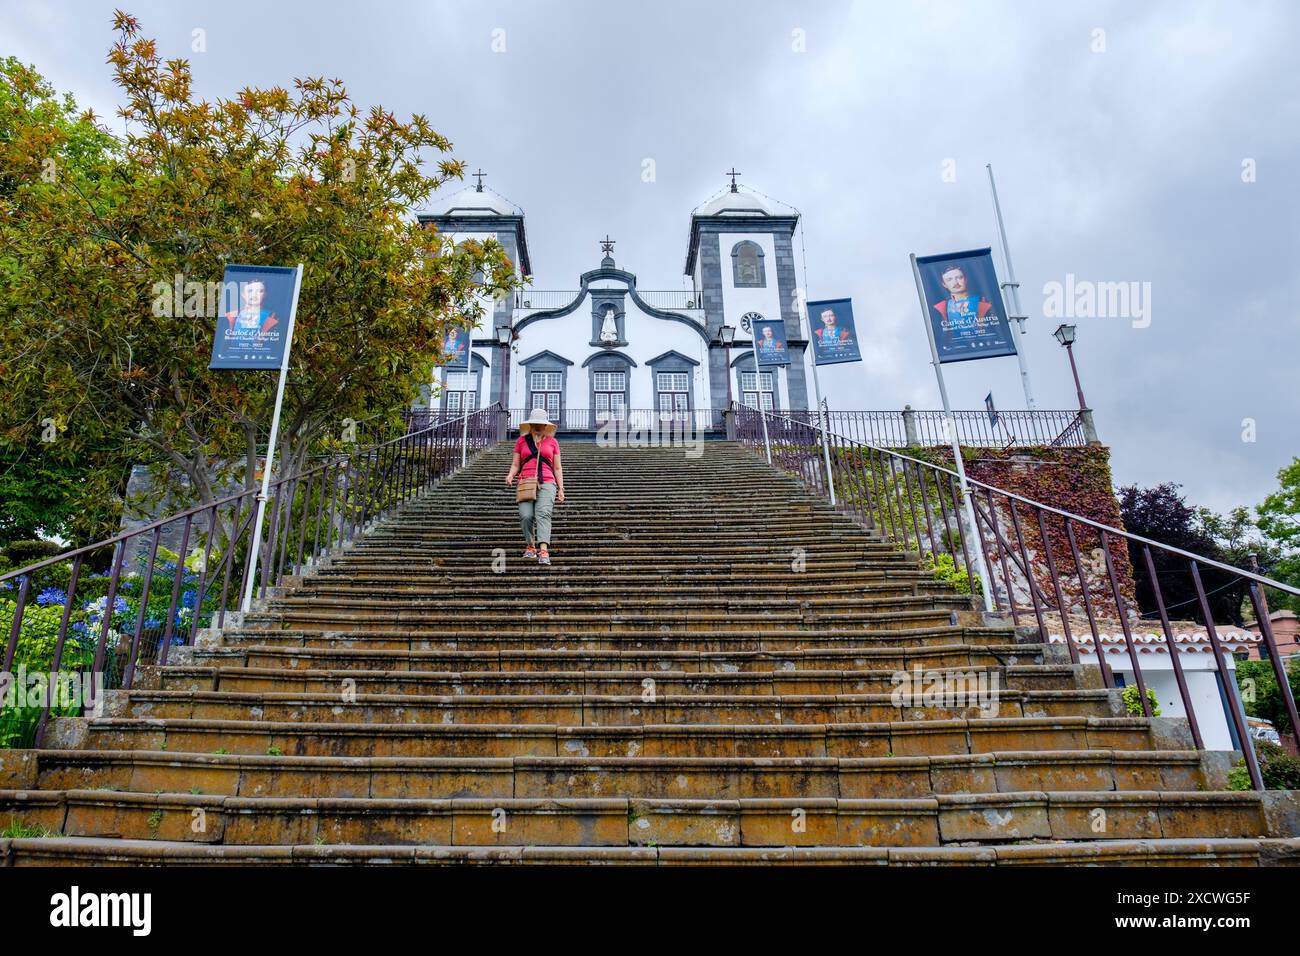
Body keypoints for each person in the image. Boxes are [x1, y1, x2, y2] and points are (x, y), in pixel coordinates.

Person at [504, 408, 565, 565]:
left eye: (541, 424)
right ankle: (530, 546)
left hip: (547, 482)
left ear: (546, 427)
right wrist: (511, 475)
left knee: (543, 513)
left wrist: (561, 488)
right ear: (530, 425)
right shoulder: (521, 442)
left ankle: (543, 549)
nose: (538, 427)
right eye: (535, 424)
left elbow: (557, 467)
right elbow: (516, 463)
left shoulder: (553, 442)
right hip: (525, 481)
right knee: (526, 516)